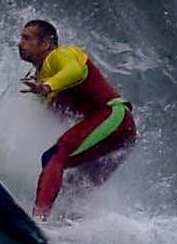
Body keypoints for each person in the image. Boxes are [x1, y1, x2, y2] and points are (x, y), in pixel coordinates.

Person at [14, 17, 136, 215]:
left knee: (55, 156)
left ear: (46, 44)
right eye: (21, 38)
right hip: (120, 137)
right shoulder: (40, 79)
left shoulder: (60, 56)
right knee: (71, 192)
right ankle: (67, 229)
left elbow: (76, 71)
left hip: (113, 117)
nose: (20, 44)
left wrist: (47, 87)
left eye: (27, 38)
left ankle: (40, 217)